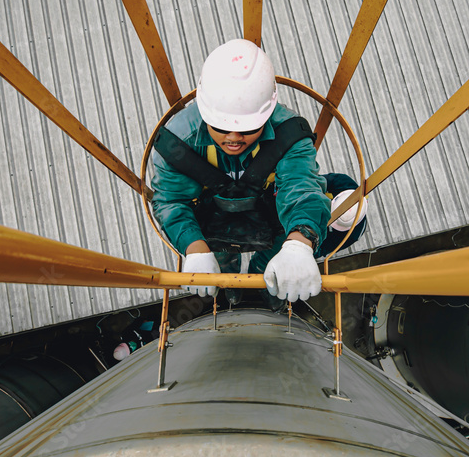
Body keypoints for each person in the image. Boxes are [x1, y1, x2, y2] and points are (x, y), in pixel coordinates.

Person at [150, 39, 367, 306]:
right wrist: (194, 247)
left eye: (248, 128)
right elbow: (171, 200)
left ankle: (264, 298)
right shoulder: (178, 143)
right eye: (221, 126)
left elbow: (301, 187)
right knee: (218, 264)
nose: (233, 138)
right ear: (206, 112)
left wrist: (299, 244)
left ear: (267, 113)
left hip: (273, 216)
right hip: (211, 226)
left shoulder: (289, 135)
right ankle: (228, 293)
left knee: (273, 268)